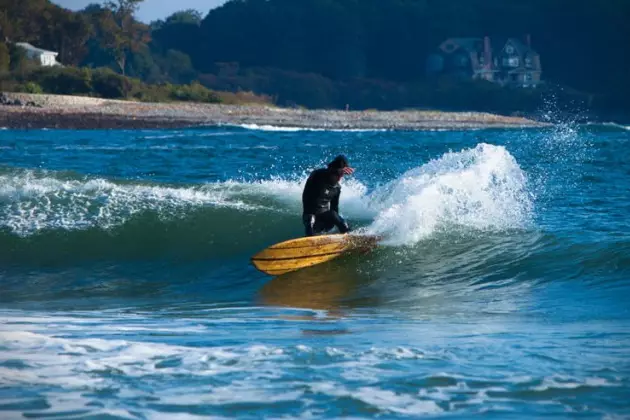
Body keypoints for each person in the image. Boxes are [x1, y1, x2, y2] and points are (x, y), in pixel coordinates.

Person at [302, 155, 355, 237]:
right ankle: (309, 240)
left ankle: (350, 237)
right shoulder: (317, 176)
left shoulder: (337, 189)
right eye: (338, 175)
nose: (339, 178)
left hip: (325, 221)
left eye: (341, 175)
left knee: (335, 216)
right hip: (310, 219)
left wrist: (340, 225)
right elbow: (324, 171)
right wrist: (338, 169)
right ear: (332, 170)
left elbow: (334, 210)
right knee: (310, 218)